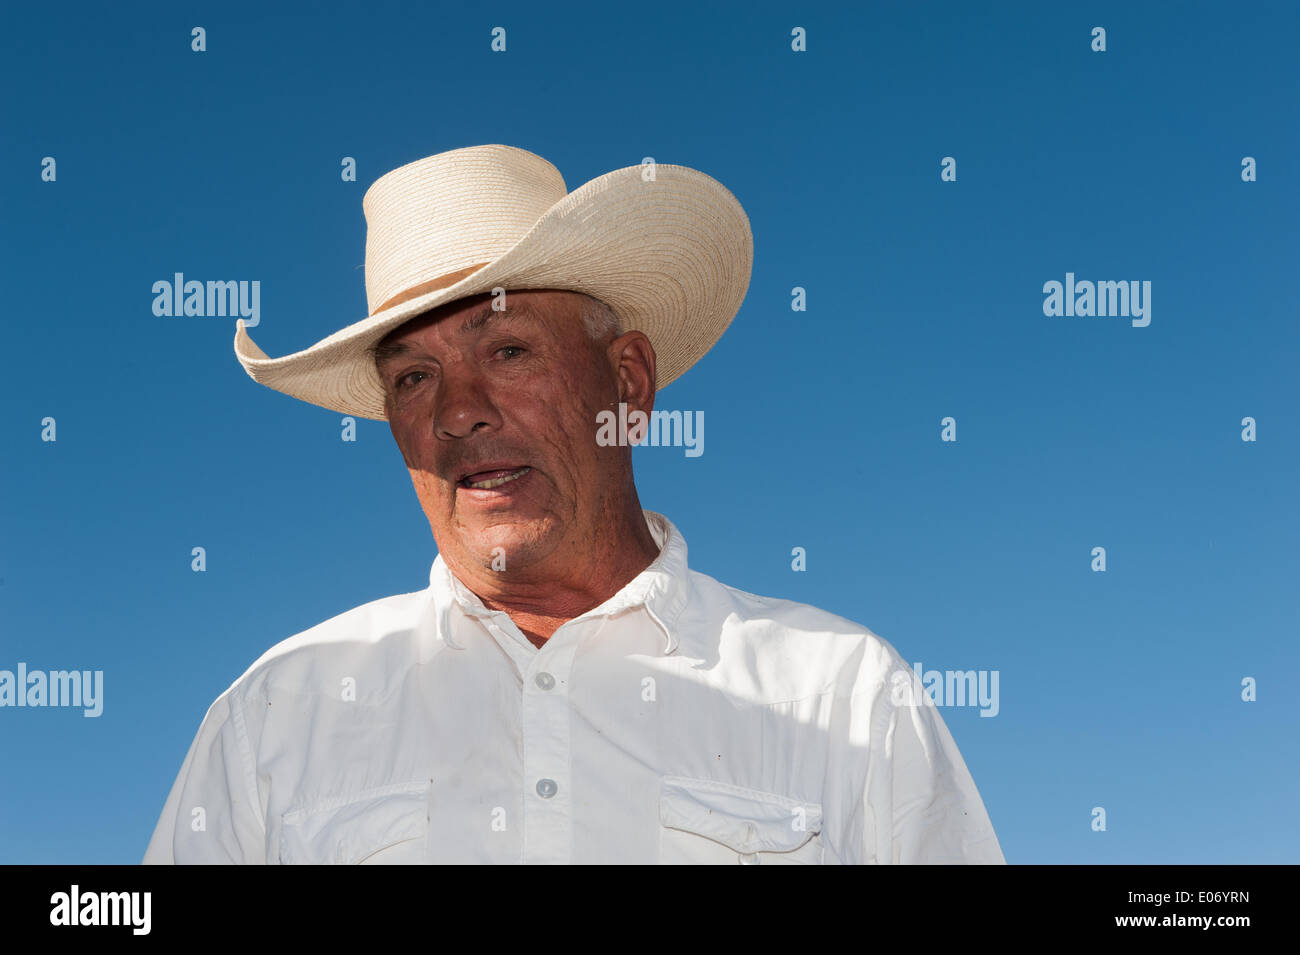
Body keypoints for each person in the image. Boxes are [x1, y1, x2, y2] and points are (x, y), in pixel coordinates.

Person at [143, 144, 1004, 864]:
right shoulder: (273, 716)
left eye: (509, 348)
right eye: (412, 377)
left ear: (627, 381)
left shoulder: (843, 695)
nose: (457, 411)